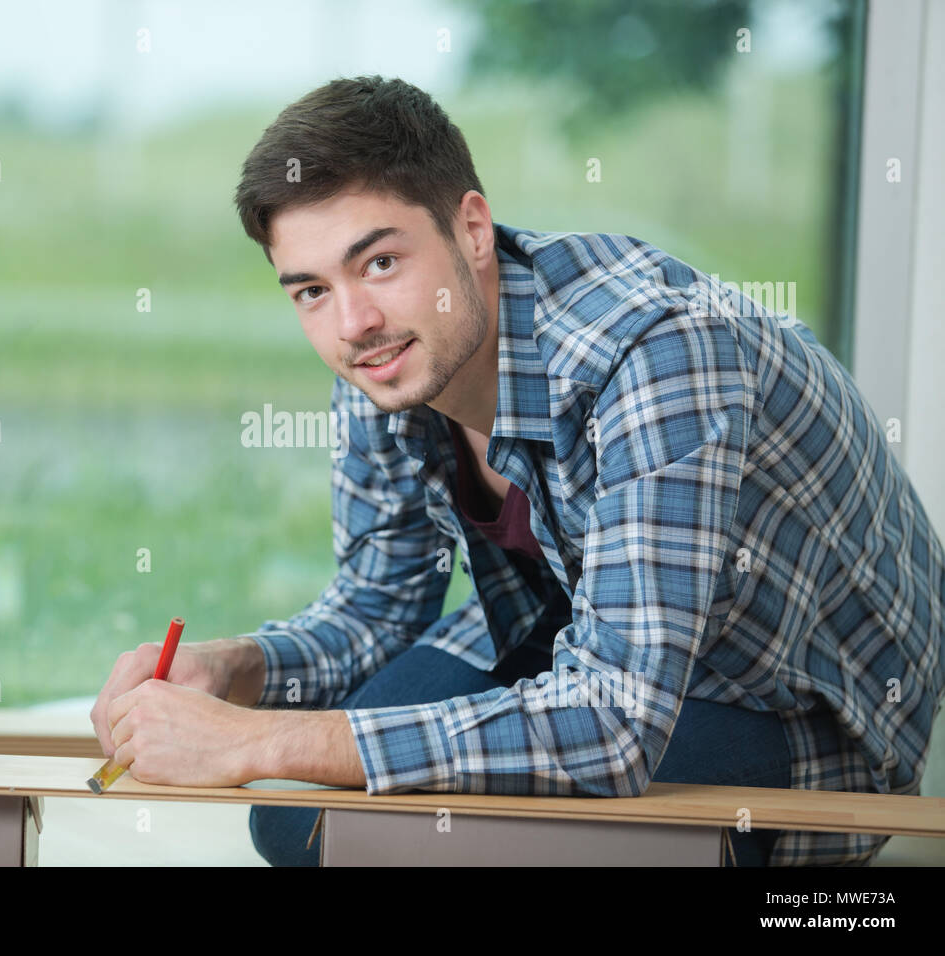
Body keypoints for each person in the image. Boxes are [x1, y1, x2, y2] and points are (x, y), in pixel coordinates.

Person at [89, 75, 945, 867]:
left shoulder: (657, 354)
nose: (351, 322)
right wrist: (238, 670)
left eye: (379, 262)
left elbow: (613, 724)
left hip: (789, 705)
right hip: (570, 630)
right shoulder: (390, 359)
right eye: (310, 289)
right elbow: (380, 602)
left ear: (471, 229)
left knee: (438, 843)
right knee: (300, 820)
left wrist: (255, 741)